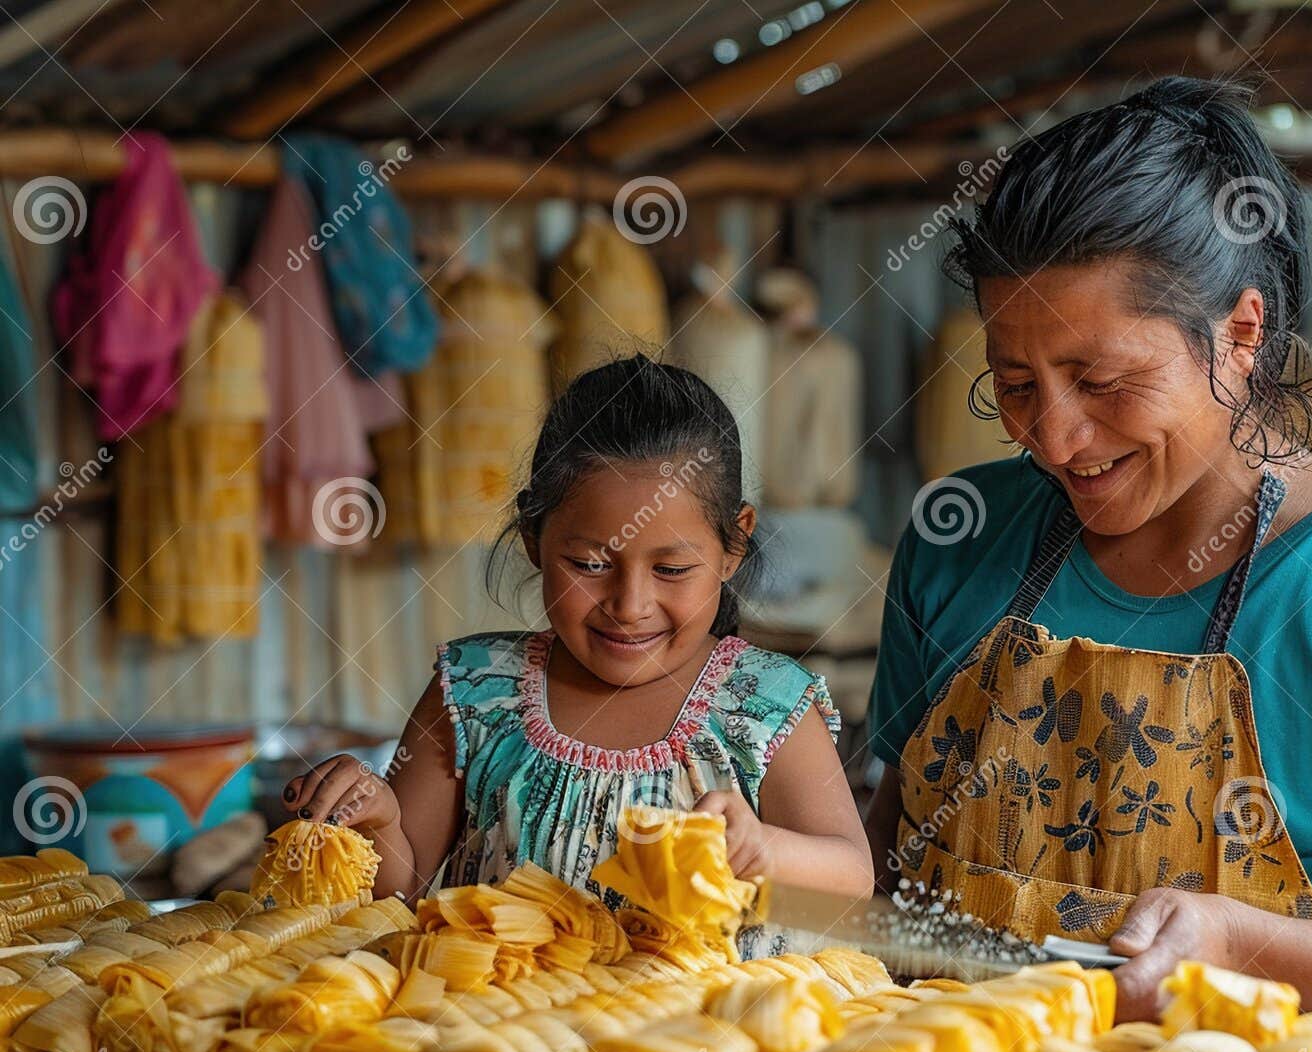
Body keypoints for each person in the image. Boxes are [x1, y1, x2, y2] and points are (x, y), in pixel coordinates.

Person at [864, 77, 1312, 1038]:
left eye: (1102, 381)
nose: (1055, 439)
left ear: (1240, 336)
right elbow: (881, 871)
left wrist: (1245, 947)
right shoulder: (959, 540)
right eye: (1015, 383)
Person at [286, 355, 873, 904]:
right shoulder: (473, 693)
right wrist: (379, 818)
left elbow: (851, 876)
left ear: (734, 543)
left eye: (671, 570)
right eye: (590, 565)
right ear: (533, 538)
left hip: (702, 1014)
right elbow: (396, 892)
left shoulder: (766, 707)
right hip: (499, 1013)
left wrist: (762, 848)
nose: (630, 604)